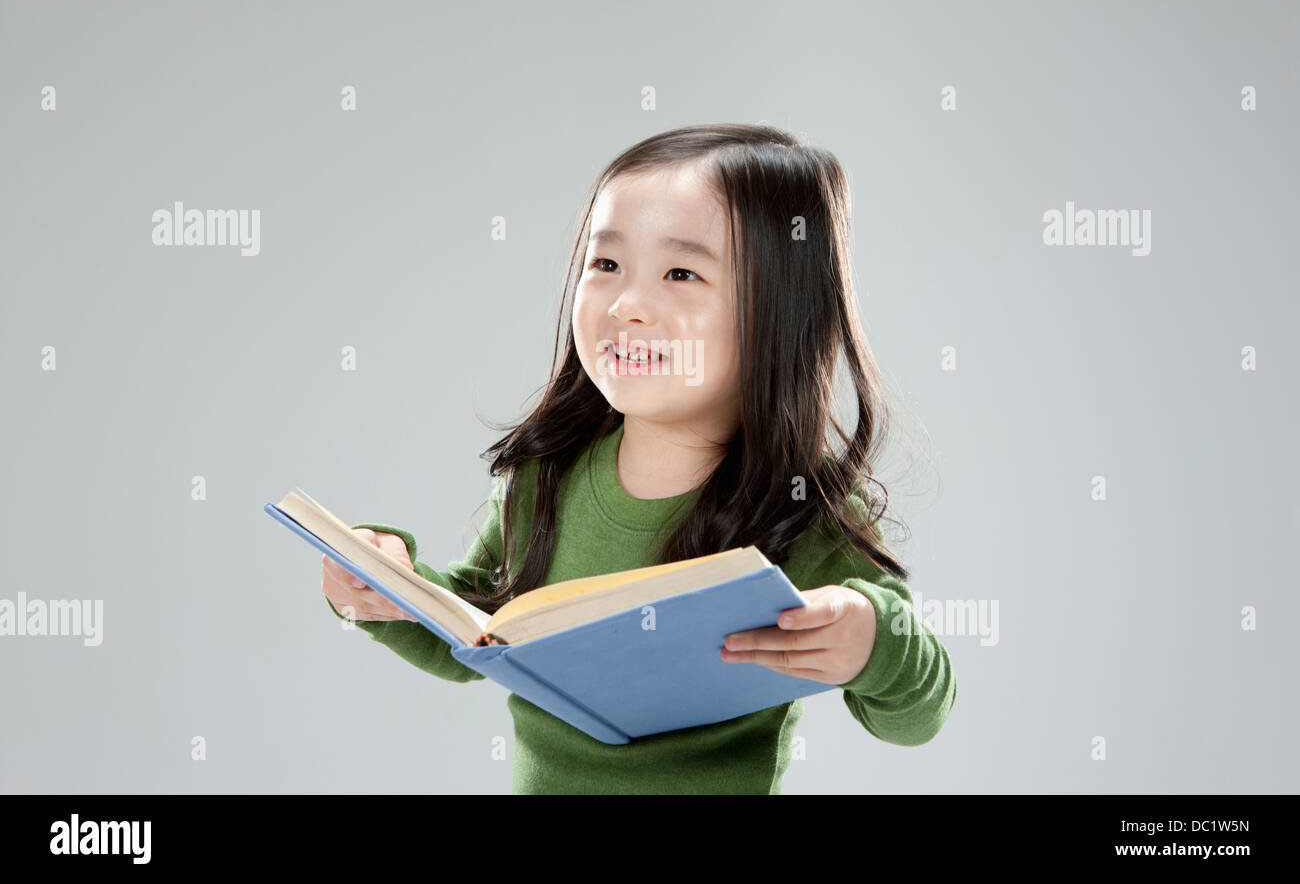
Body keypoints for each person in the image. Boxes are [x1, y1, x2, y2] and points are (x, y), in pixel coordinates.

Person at [321, 123, 956, 793]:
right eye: (606, 265)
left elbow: (919, 715)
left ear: (779, 313)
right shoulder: (551, 472)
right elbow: (480, 635)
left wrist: (874, 644)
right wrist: (386, 590)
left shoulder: (802, 507)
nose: (627, 306)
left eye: (681, 273)